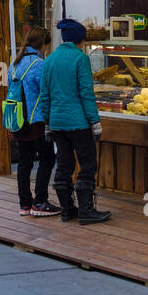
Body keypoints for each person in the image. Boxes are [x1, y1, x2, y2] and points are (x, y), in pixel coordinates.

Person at [38, 18, 109, 225]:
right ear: (80, 40)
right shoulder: (80, 58)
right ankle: (86, 211)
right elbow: (86, 92)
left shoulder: (50, 59)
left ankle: (67, 210)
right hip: (78, 122)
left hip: (57, 122)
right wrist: (95, 122)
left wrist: (47, 122)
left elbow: (45, 94)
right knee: (87, 164)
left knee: (64, 164)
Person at [10, 27, 59, 217]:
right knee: (47, 159)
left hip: (17, 119)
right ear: (43, 44)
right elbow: (47, 91)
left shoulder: (14, 63)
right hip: (36, 120)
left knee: (25, 162)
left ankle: (24, 204)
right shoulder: (39, 64)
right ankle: (40, 201)